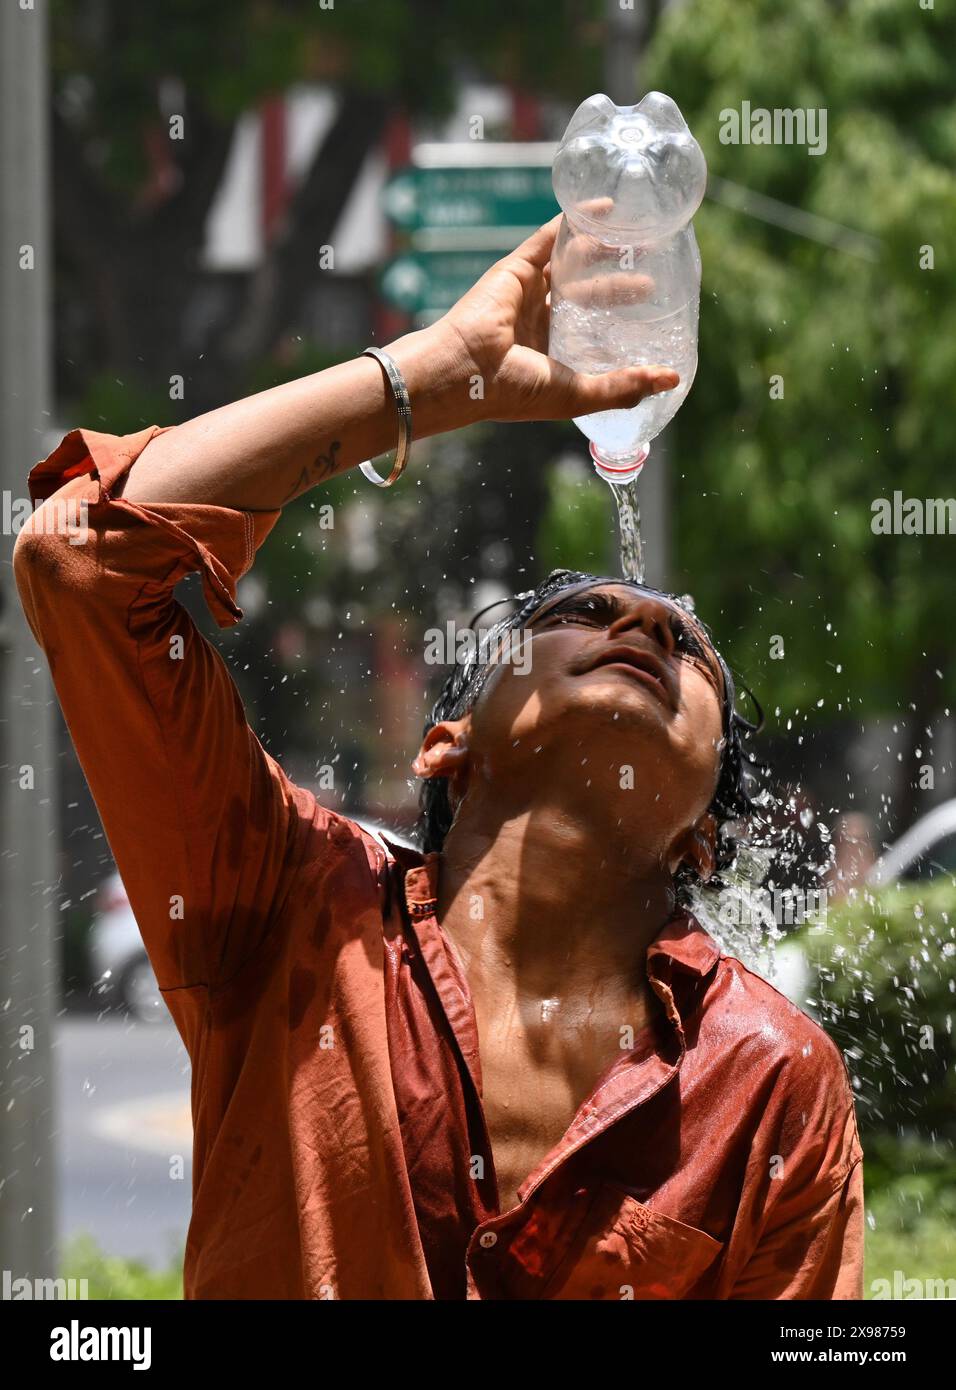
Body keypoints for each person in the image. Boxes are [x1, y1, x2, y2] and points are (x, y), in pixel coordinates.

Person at [14, 216, 863, 1300]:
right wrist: (426, 379)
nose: (646, 627)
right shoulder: (291, 906)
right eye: (579, 614)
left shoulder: (771, 1076)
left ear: (702, 835)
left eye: (688, 649)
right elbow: (79, 556)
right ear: (446, 743)